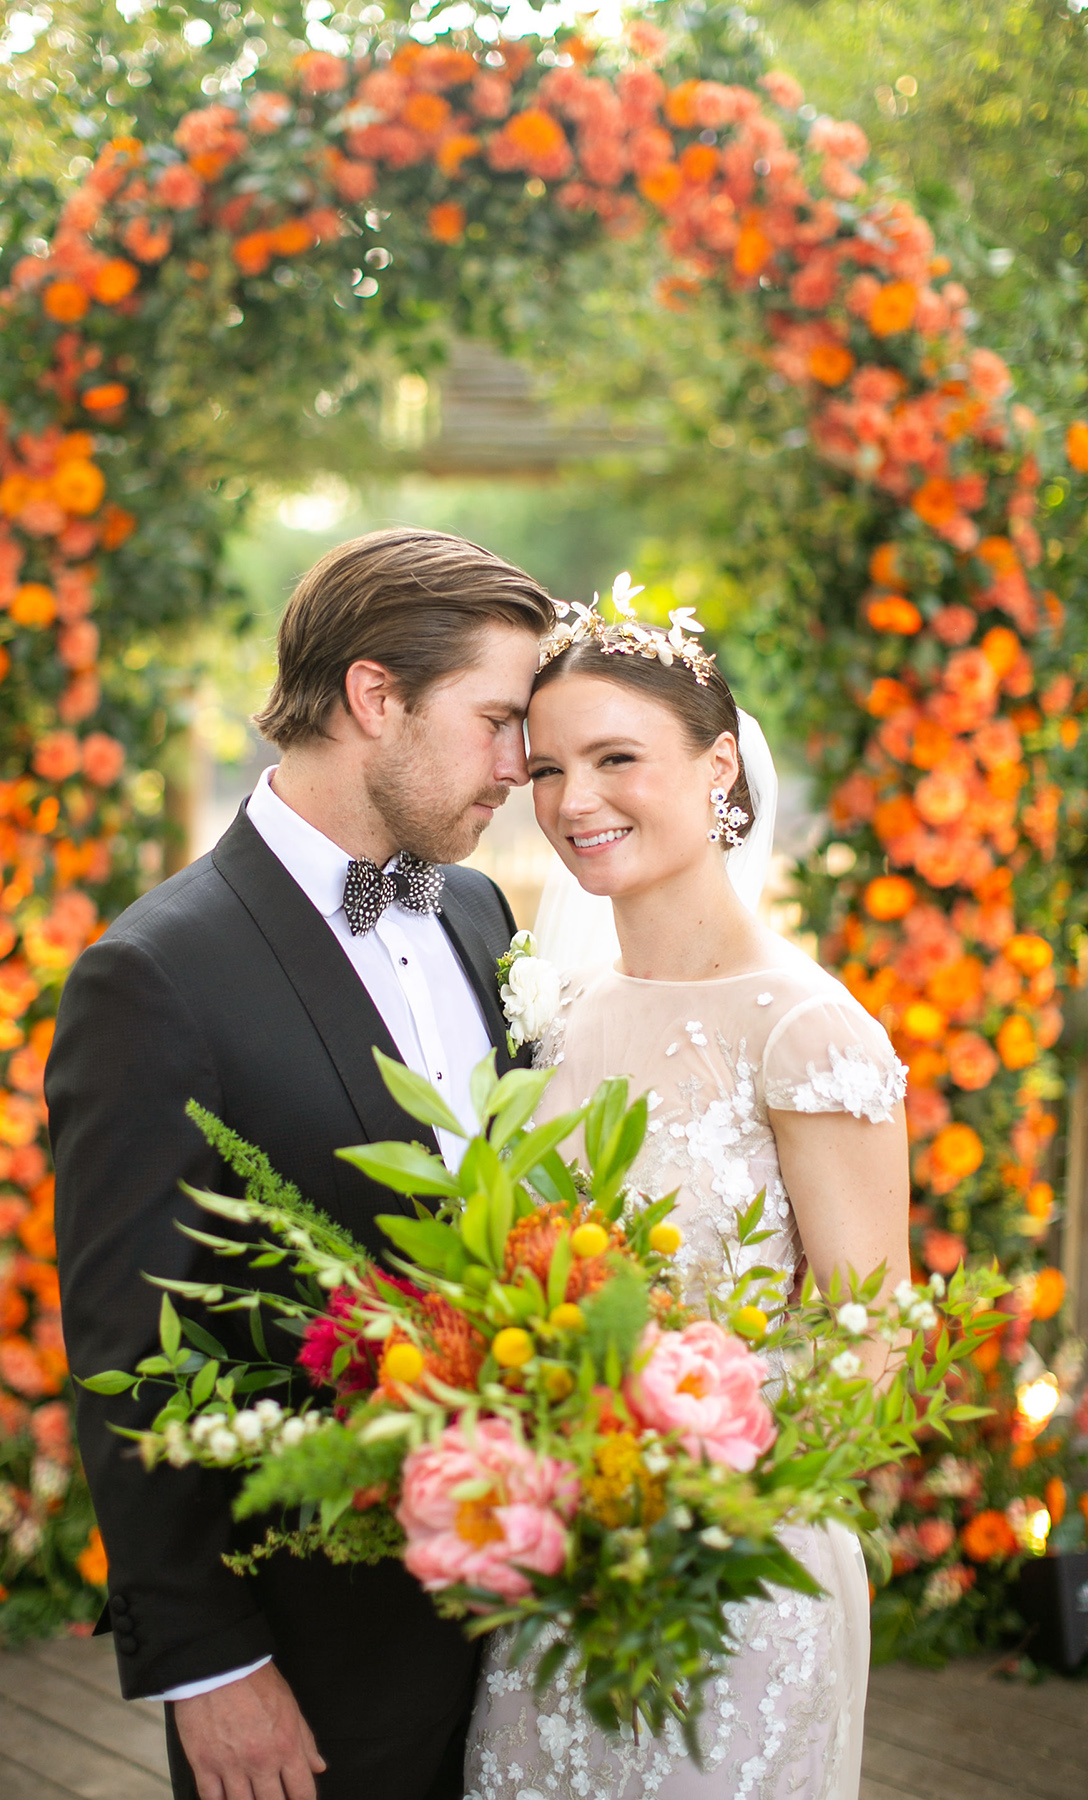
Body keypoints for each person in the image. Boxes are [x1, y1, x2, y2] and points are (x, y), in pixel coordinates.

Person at [47, 528, 555, 1800]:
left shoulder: (482, 912)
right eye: (497, 719)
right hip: (312, 1662)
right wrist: (208, 1669)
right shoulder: (153, 976)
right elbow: (127, 1347)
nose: (521, 765)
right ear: (374, 697)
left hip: (525, 1631)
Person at [464, 602, 910, 1800]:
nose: (573, 802)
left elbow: (869, 1349)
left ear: (718, 766)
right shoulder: (557, 1010)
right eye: (548, 768)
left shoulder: (806, 1030)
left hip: (735, 1580)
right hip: (557, 1569)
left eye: (617, 759)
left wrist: (687, 1514)